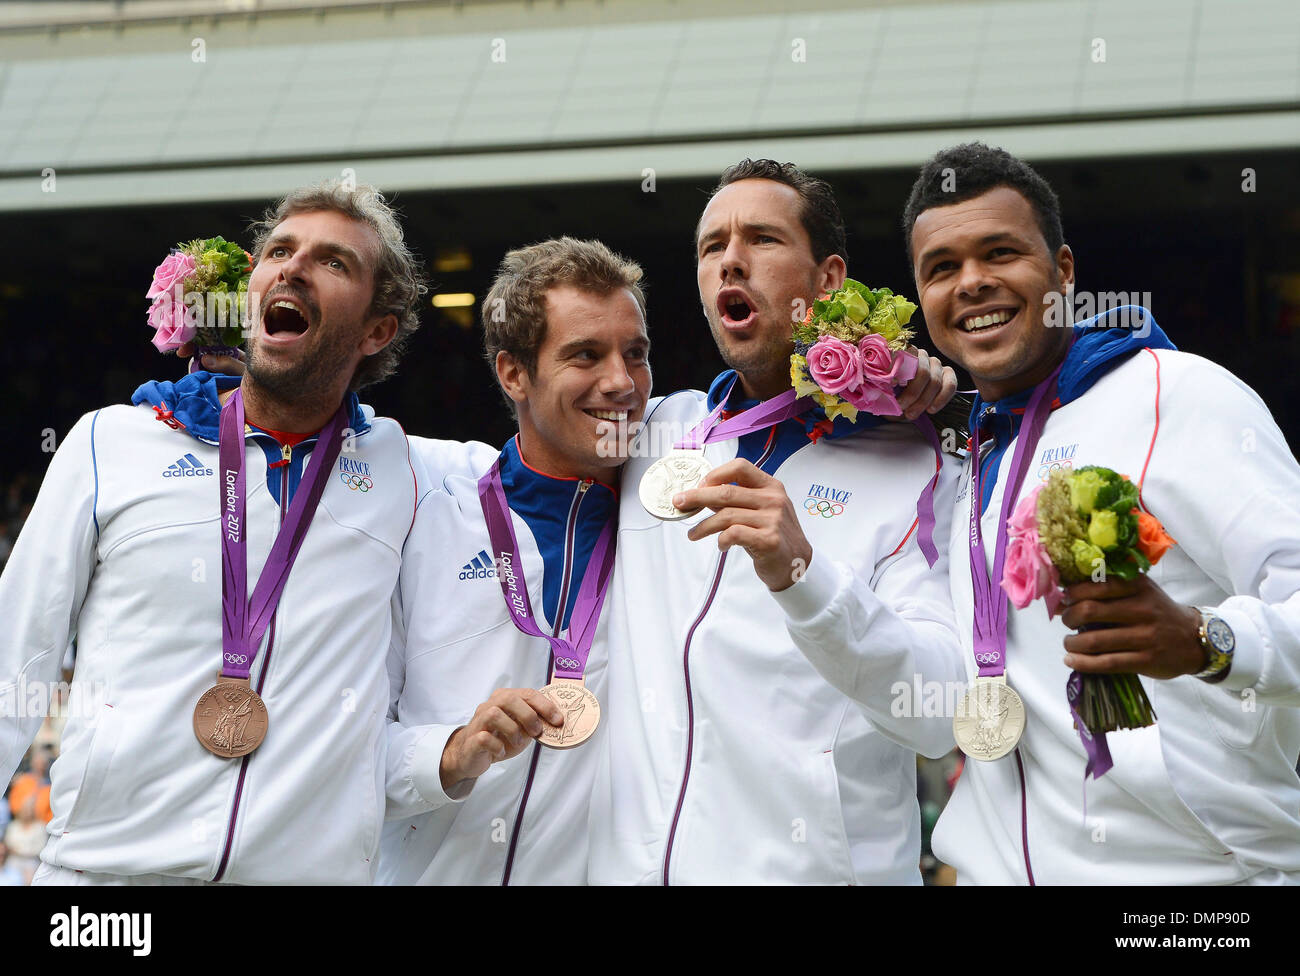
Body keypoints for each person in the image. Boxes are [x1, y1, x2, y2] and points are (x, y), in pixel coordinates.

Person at [1, 178, 425, 884]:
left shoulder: (405, 469)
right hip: (106, 894)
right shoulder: (111, 442)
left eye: (333, 262)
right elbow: (13, 661)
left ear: (377, 330)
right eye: (279, 251)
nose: (290, 266)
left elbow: (549, 448)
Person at [905, 141, 1300, 883]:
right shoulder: (962, 459)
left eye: (1000, 252)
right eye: (942, 268)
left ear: (1063, 272)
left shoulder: (1177, 395)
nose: (973, 283)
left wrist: (1207, 639)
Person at [588, 159, 967, 884]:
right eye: (712, 246)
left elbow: (942, 711)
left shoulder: (918, 470)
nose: (731, 259)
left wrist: (806, 579)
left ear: (827, 280)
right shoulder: (654, 431)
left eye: (761, 238)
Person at [381, 238, 651, 884]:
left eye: (636, 354)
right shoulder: (422, 512)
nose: (621, 382)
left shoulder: (672, 521)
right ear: (513, 374)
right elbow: (341, 746)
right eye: (586, 355)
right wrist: (449, 755)